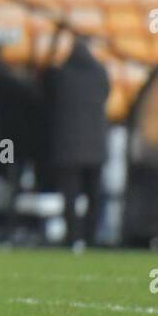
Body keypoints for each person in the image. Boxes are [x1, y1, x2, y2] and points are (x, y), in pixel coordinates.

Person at [43, 38, 110, 248]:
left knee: (70, 197)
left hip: (68, 149)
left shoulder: (62, 75)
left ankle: (72, 237)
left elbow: (45, 86)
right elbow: (107, 93)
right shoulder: (100, 74)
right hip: (95, 148)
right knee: (94, 196)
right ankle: (90, 237)